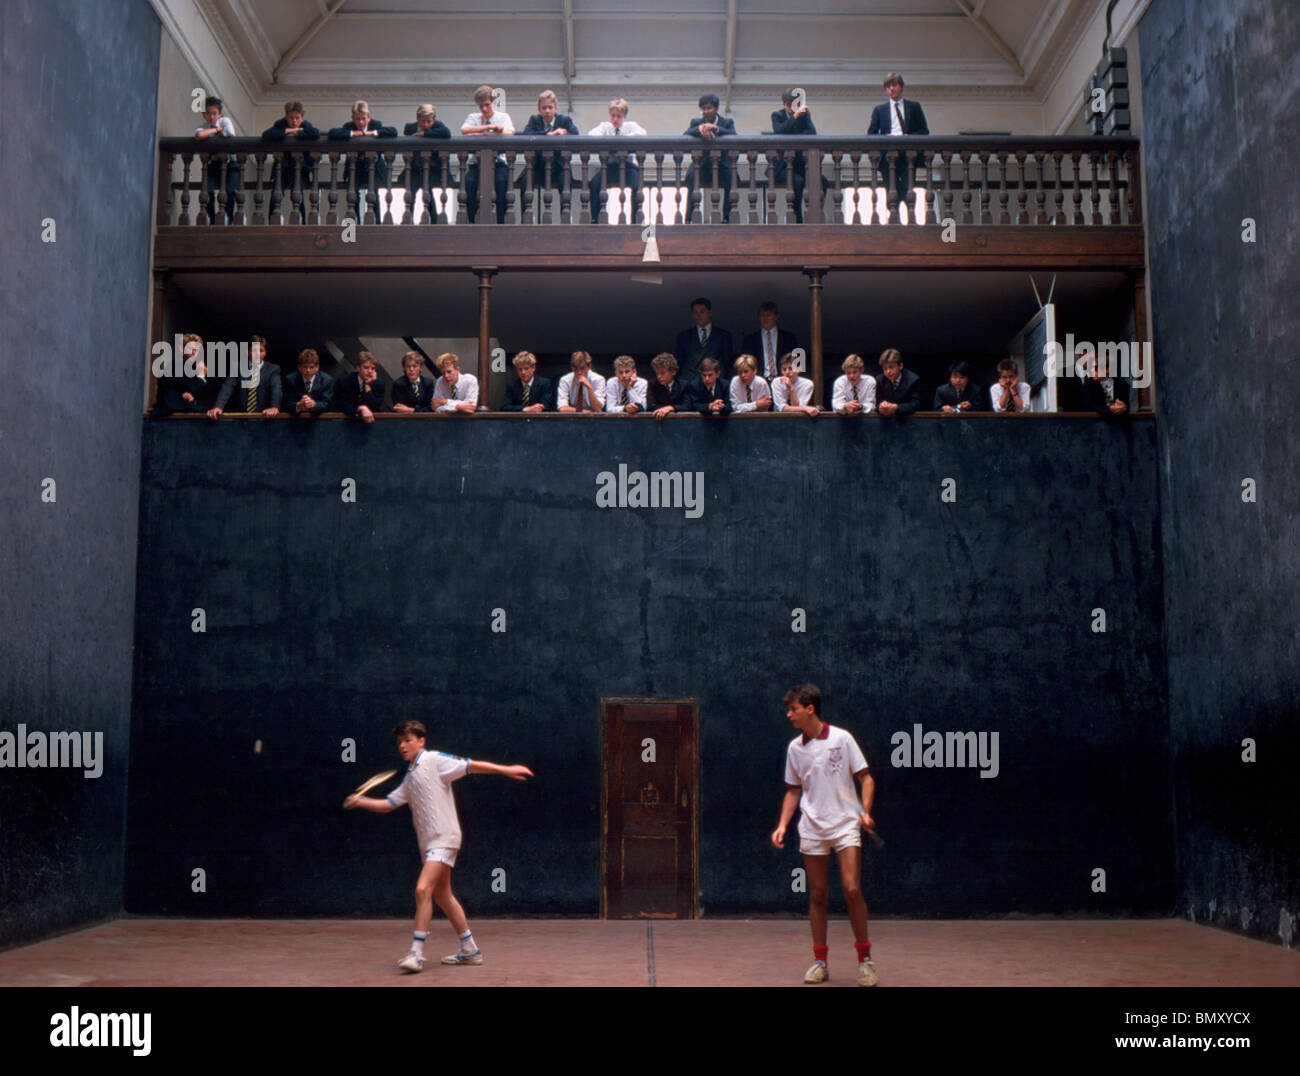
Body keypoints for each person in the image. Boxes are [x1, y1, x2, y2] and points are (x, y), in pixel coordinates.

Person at [345, 719, 533, 973]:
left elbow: (470, 766)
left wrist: (505, 769)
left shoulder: (434, 760)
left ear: (421, 741)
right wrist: (361, 801)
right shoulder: (411, 777)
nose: (403, 745)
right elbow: (389, 804)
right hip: (429, 844)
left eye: (408, 740)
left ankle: (415, 954)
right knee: (442, 896)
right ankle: (470, 949)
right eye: (400, 742)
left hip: (444, 838)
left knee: (423, 889)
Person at [770, 683, 878, 987]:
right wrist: (782, 825)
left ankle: (865, 961)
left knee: (852, 889)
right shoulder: (795, 748)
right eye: (788, 709)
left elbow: (866, 779)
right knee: (817, 895)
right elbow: (793, 791)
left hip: (845, 826)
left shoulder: (842, 739)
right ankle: (820, 962)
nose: (789, 714)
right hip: (812, 827)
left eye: (793, 709)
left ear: (810, 709)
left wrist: (864, 811)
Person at [867, 73, 929, 218]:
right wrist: (884, 138)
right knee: (891, 189)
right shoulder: (879, 110)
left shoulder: (914, 107)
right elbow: (871, 134)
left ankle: (911, 218)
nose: (891, 89)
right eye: (888, 87)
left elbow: (924, 131)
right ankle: (893, 218)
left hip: (909, 156)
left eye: (894, 85)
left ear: (901, 87)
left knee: (909, 189)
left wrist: (910, 137)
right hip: (888, 157)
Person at [328, 101, 397, 216]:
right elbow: (332, 133)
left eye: (363, 118)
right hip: (356, 168)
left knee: (373, 193)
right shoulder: (348, 127)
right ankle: (356, 221)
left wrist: (374, 133)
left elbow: (393, 131)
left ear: (369, 117)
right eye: (357, 119)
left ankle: (376, 222)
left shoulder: (376, 125)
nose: (360, 122)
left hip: (374, 168)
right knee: (353, 194)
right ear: (352, 118)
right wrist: (352, 133)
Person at [586, 98, 647, 224]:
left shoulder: (631, 126)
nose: (615, 119)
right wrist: (609, 139)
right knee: (594, 183)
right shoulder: (606, 127)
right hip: (610, 167)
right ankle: (595, 219)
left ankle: (635, 220)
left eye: (618, 116)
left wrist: (623, 139)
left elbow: (643, 134)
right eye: (613, 116)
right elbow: (591, 134)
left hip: (628, 167)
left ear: (624, 116)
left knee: (637, 185)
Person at [461, 85, 515, 224]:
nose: (484, 109)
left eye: (487, 105)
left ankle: (501, 222)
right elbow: (465, 130)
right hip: (476, 165)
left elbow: (509, 133)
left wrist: (479, 134)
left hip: (498, 164)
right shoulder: (473, 117)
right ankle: (473, 221)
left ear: (494, 103)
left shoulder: (503, 117)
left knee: (502, 183)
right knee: (469, 183)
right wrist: (489, 128)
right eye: (481, 106)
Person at [684, 93, 737, 223]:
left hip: (721, 164)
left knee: (732, 176)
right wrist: (700, 129)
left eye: (709, 108)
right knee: (691, 176)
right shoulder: (696, 122)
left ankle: (726, 217)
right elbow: (686, 134)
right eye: (703, 108)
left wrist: (715, 128)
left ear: (716, 109)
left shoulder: (726, 122)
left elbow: (734, 135)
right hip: (701, 164)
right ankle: (689, 218)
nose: (705, 111)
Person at [520, 90, 577, 202]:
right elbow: (526, 135)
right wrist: (548, 134)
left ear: (555, 108)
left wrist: (561, 135)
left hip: (559, 166)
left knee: (566, 183)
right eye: (544, 108)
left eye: (550, 107)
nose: (547, 111)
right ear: (539, 109)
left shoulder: (564, 120)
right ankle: (525, 217)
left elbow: (575, 135)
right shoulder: (534, 120)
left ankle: (565, 217)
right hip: (538, 166)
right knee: (525, 182)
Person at [769, 89, 816, 222]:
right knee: (798, 182)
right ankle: (798, 219)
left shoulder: (804, 116)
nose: (792, 109)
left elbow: (812, 135)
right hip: (782, 166)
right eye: (789, 105)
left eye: (795, 105)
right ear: (784, 104)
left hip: (800, 164)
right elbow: (780, 131)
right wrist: (795, 117)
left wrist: (809, 116)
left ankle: (815, 214)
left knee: (821, 181)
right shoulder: (777, 115)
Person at [209, 335, 282, 419]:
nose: (257, 354)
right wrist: (218, 406)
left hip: (264, 418)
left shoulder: (273, 369)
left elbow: (276, 389)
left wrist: (274, 407)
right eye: (254, 350)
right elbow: (227, 387)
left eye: (261, 351)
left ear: (265, 353)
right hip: (240, 418)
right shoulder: (237, 367)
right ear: (247, 352)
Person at [193, 96, 240, 223]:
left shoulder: (225, 121)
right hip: (214, 164)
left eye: (214, 114)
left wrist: (214, 132)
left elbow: (229, 133)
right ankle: (212, 219)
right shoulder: (204, 126)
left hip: (230, 164)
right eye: (208, 114)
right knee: (207, 191)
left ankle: (228, 219)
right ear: (204, 114)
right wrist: (216, 130)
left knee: (229, 192)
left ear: (219, 114)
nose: (212, 117)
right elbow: (199, 134)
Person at [402, 104, 452, 223]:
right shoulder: (410, 128)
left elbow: (446, 133)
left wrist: (424, 134)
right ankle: (408, 221)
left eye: (429, 121)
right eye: (422, 121)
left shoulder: (438, 126)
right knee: (410, 193)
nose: (425, 125)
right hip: (415, 167)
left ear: (433, 120)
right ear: (417, 119)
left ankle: (434, 220)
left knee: (427, 191)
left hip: (434, 169)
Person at [261, 100, 321, 198]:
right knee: (275, 195)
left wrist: (297, 133)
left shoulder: (306, 125)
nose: (294, 121)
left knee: (297, 194)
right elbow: (267, 135)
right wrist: (289, 130)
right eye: (291, 118)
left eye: (297, 118)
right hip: (283, 167)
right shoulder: (280, 124)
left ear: (302, 118)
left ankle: (301, 214)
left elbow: (315, 134)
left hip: (301, 168)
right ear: (286, 117)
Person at [153, 334, 219, 416]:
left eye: (197, 350)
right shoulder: (180, 363)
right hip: (169, 414)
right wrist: (201, 377)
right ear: (182, 349)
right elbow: (195, 391)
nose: (195, 353)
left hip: (173, 412)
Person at [673, 297, 733, 384]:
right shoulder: (683, 336)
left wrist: (719, 380)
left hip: (714, 383)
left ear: (709, 313)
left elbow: (727, 362)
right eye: (695, 312)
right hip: (689, 383)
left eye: (702, 312)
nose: (699, 315)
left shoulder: (723, 335)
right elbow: (679, 362)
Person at [742, 301, 799, 383]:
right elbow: (745, 364)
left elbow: (798, 361)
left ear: (776, 317)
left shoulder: (789, 338)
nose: (765, 318)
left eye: (769, 315)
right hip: (757, 381)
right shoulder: (749, 340)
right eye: (762, 315)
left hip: (783, 380)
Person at [335, 351, 387, 424]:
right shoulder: (345, 381)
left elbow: (376, 406)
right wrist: (360, 409)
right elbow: (342, 405)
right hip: (347, 422)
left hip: (371, 423)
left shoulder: (379, 383)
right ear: (358, 368)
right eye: (366, 367)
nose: (370, 371)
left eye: (373, 368)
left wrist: (367, 387)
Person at [1078, 348, 1131, 417]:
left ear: (1107, 370)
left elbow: (1126, 407)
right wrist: (1109, 409)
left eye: (1096, 368)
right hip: (1096, 424)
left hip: (1119, 424)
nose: (1091, 370)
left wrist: (1123, 407)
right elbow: (1087, 406)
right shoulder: (1089, 384)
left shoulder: (1121, 384)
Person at [283, 348, 335, 416]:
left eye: (311, 367)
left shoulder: (326, 380)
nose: (308, 370)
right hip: (296, 421)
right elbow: (286, 403)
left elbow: (328, 404)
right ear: (299, 367)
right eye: (305, 367)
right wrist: (298, 405)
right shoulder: (290, 379)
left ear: (317, 367)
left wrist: (314, 404)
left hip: (319, 421)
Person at [875, 348, 922, 418]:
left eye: (891, 367)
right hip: (886, 421)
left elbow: (915, 405)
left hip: (907, 420)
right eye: (885, 368)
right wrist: (881, 406)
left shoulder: (913, 380)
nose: (888, 371)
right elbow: (876, 403)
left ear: (900, 366)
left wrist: (896, 407)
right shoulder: (879, 380)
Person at [772, 352, 818, 416]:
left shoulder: (807, 384)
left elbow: (798, 408)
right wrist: (804, 408)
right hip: (778, 418)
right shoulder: (776, 382)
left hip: (798, 419)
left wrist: (791, 389)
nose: (787, 372)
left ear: (799, 369)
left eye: (791, 368)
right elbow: (781, 409)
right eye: (784, 369)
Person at [648, 353, 690, 421]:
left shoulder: (684, 385)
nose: (659, 376)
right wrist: (664, 409)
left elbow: (687, 406)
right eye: (657, 373)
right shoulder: (653, 384)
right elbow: (650, 406)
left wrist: (670, 408)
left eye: (662, 373)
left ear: (673, 372)